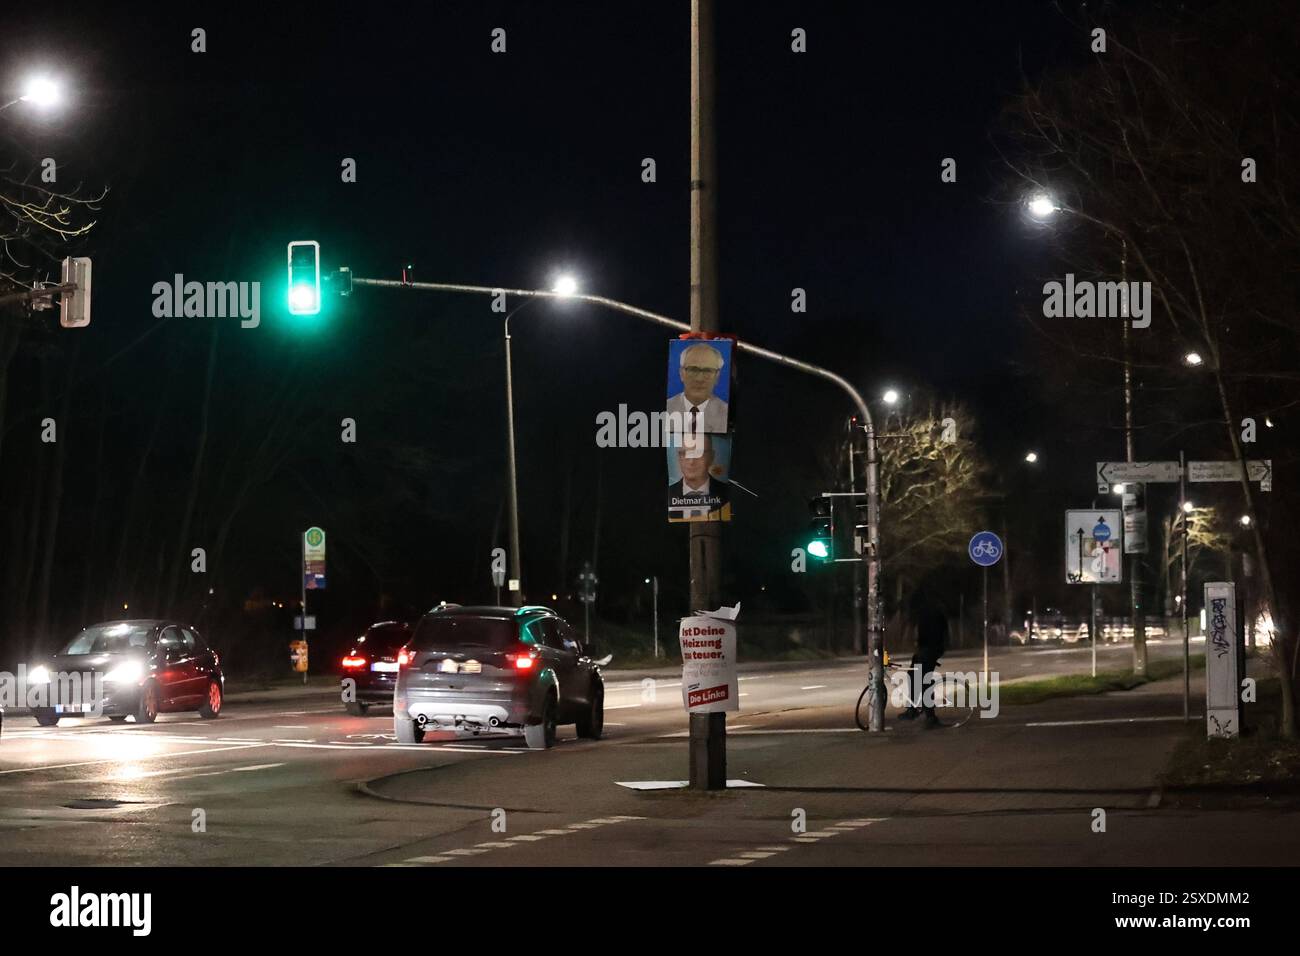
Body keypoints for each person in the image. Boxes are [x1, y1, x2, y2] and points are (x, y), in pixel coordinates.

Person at [897, 584, 948, 727]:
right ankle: (913, 708)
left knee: (923, 680)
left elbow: (928, 634)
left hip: (929, 649)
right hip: (930, 648)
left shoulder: (927, 613)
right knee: (913, 675)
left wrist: (921, 647)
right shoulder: (931, 611)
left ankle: (929, 715)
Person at [666, 342, 729, 433]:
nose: (699, 379)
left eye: (708, 371)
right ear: (681, 374)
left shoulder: (726, 413)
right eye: (693, 369)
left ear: (717, 376)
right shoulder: (667, 409)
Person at [667, 433, 731, 522]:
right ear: (679, 457)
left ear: (711, 457)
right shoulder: (669, 493)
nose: (691, 461)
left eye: (699, 453)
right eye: (685, 453)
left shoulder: (725, 492)